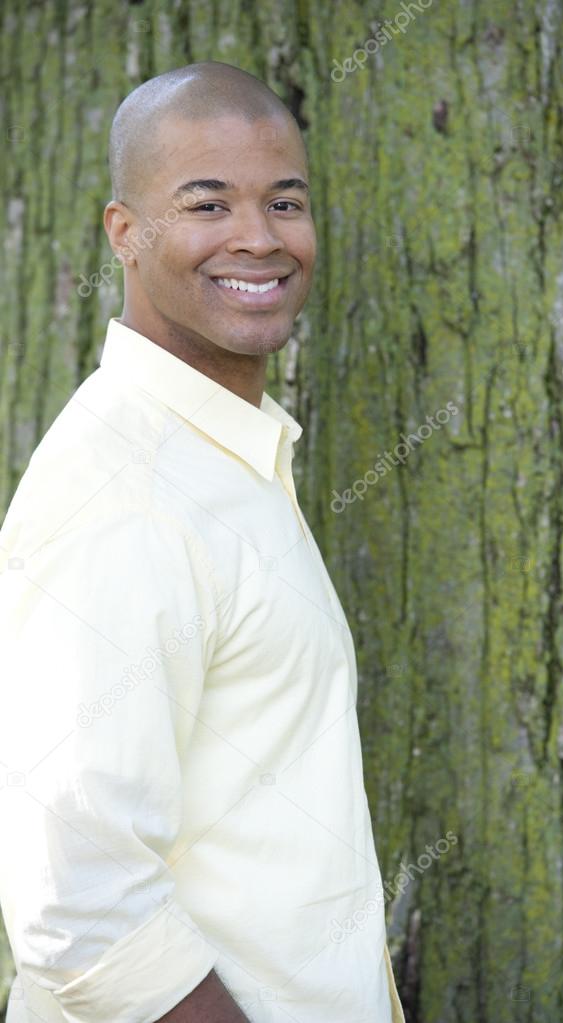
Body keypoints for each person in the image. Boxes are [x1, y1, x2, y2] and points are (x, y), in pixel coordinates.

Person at [0, 61, 405, 1023]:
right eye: (207, 203)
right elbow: (79, 904)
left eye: (284, 201)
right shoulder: (127, 494)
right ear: (125, 233)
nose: (258, 237)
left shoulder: (221, 456)